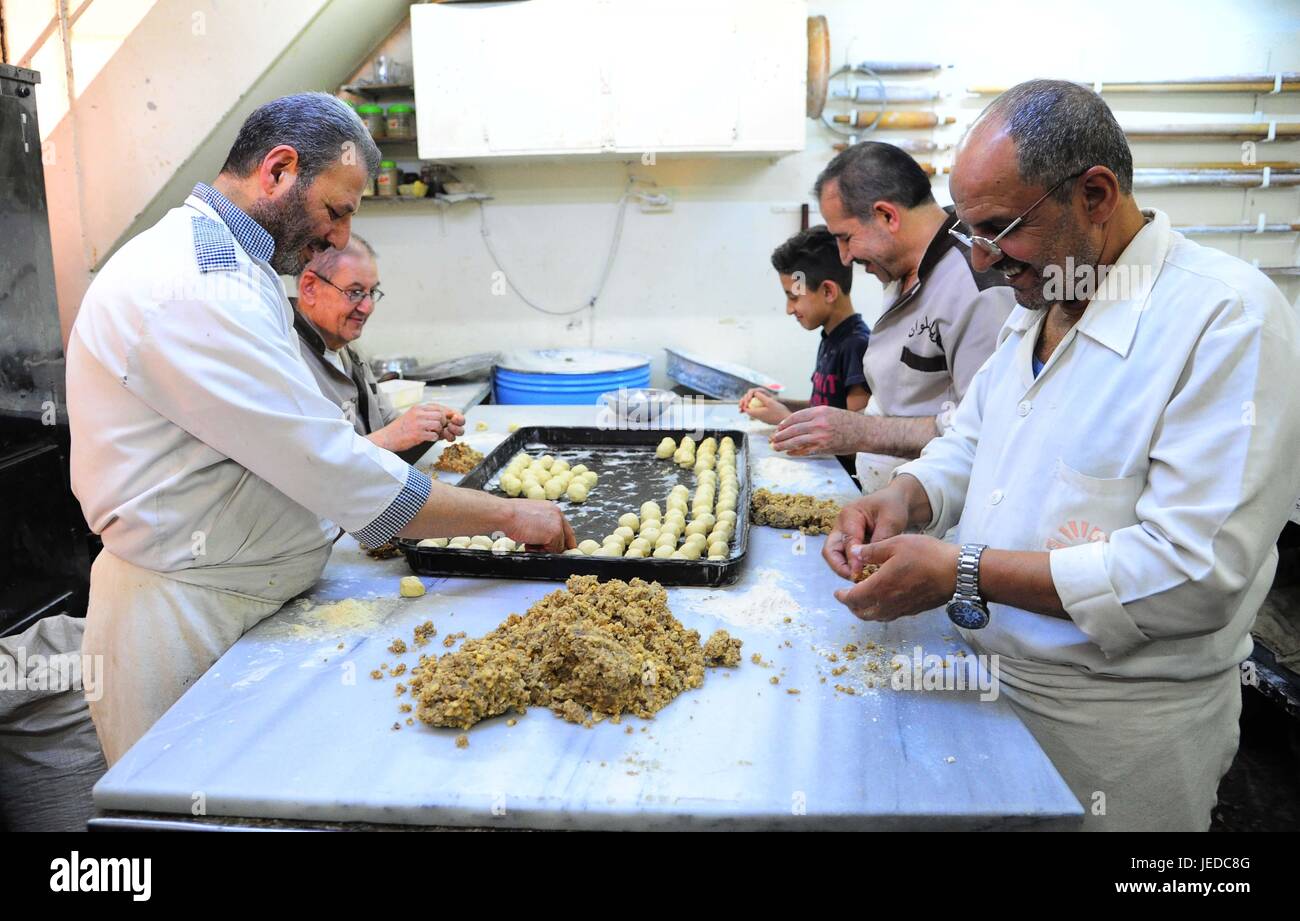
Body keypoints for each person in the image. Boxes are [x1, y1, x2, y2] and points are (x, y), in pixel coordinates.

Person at [823, 80, 1300, 830]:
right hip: (983, 679)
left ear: (1096, 194)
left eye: (996, 231)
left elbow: (1193, 574)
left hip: (1113, 734)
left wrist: (964, 569)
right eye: (969, 235)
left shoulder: (1224, 320)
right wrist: (905, 497)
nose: (980, 263)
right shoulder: (1040, 305)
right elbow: (972, 443)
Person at [67, 93, 574, 764]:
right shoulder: (196, 285)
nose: (337, 239)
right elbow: (335, 470)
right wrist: (507, 518)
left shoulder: (234, 270)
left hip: (241, 598)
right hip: (186, 622)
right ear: (277, 170)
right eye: (335, 212)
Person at [771, 142, 1015, 491]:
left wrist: (861, 432)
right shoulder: (900, 271)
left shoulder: (976, 288)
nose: (843, 258)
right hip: (891, 508)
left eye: (845, 238)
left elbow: (986, 426)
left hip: (938, 522)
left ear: (888, 216)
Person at [294, 234, 463, 464]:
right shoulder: (290, 360)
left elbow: (385, 423)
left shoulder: (346, 350)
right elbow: (312, 466)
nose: (367, 307)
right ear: (310, 288)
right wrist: (392, 436)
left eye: (371, 292)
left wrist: (426, 427)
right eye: (354, 292)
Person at [739, 225, 870, 478]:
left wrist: (785, 420)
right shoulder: (831, 337)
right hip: (823, 469)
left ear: (828, 291)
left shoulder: (856, 346)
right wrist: (778, 404)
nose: (789, 309)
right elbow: (825, 407)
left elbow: (857, 441)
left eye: (794, 297)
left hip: (843, 480)